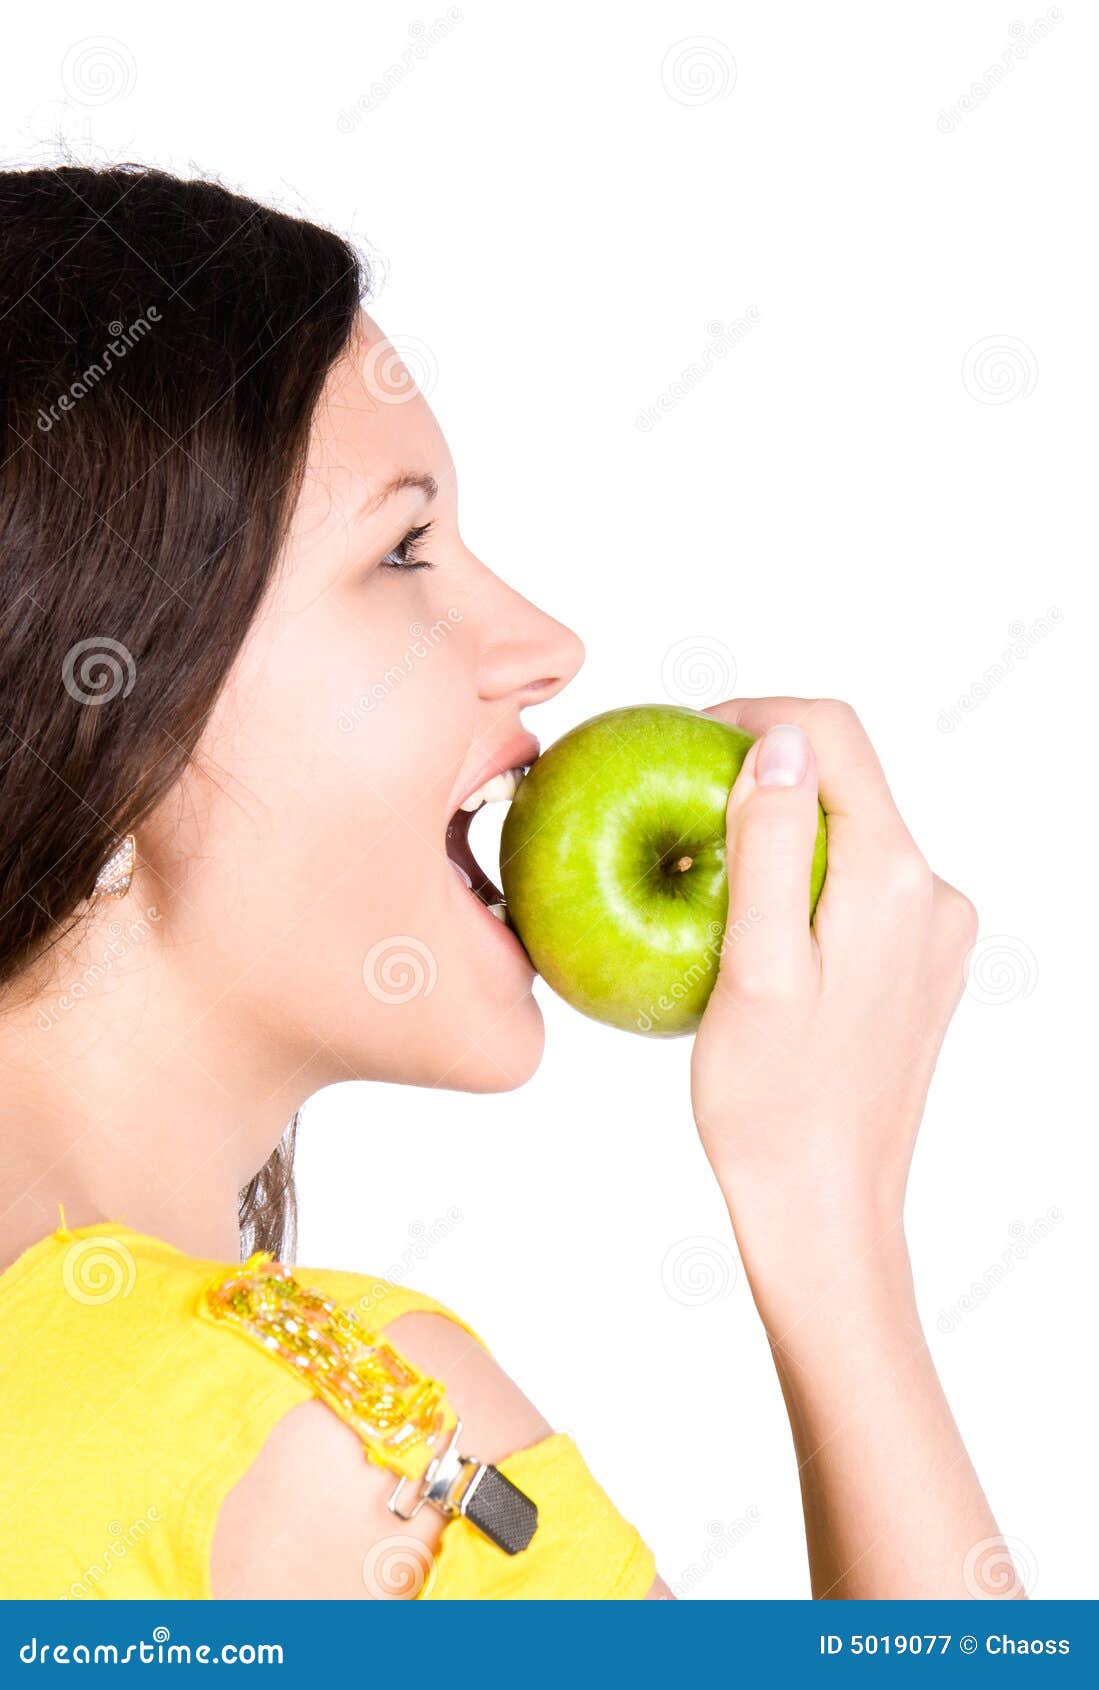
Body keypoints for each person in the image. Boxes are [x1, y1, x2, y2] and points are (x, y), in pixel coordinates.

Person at [0, 165, 1017, 1601]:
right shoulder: (347, 1444)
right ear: (113, 701)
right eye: (402, 550)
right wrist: (827, 1217)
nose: (546, 643)